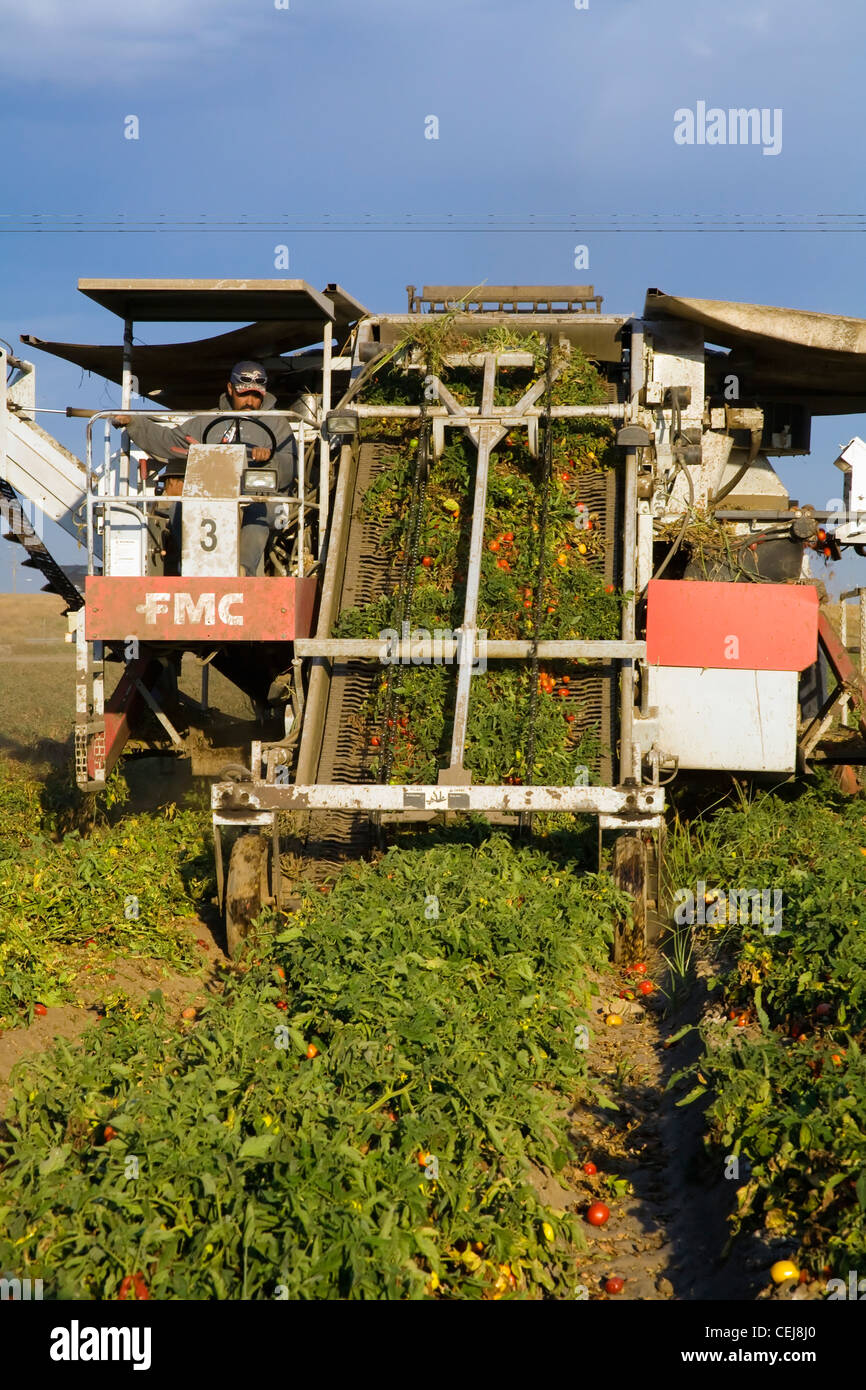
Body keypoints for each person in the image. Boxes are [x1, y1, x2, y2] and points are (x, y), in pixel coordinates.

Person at [113, 361, 296, 576]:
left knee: (259, 510)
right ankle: (191, 569)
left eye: (256, 396)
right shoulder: (208, 420)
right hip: (214, 494)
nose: (250, 402)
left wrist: (270, 459)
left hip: (257, 495)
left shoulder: (278, 423)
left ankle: (244, 571)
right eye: (244, 394)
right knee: (182, 505)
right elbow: (170, 441)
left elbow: (290, 465)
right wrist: (134, 423)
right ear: (230, 389)